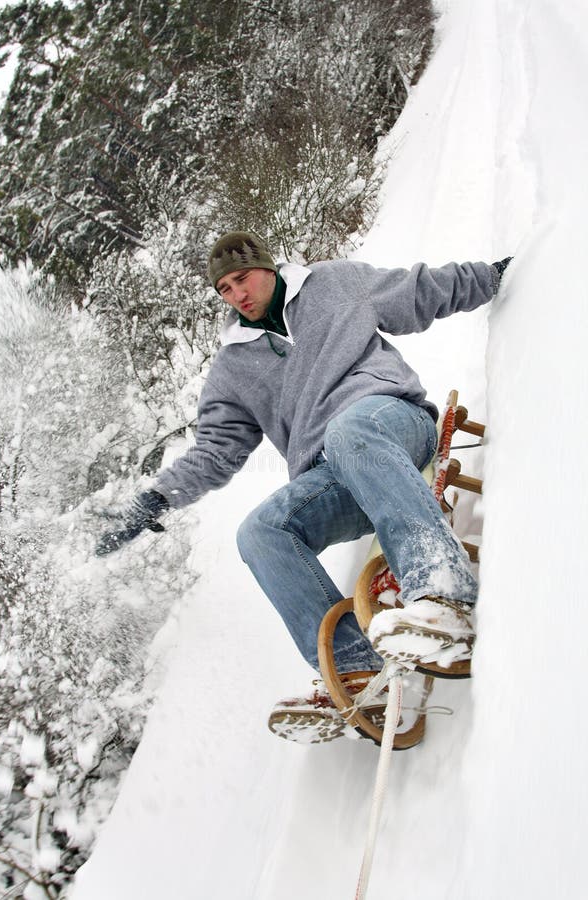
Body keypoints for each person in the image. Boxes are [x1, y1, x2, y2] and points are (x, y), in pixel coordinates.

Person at [97, 231, 511, 736]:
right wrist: (155, 499)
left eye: (242, 279)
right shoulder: (232, 368)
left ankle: (441, 592)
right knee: (259, 532)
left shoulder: (334, 284)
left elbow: (420, 291)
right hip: (335, 475)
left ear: (267, 268)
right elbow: (214, 451)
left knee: (350, 428)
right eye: (224, 289)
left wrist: (494, 275)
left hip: (393, 425)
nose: (236, 295)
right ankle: (357, 670)